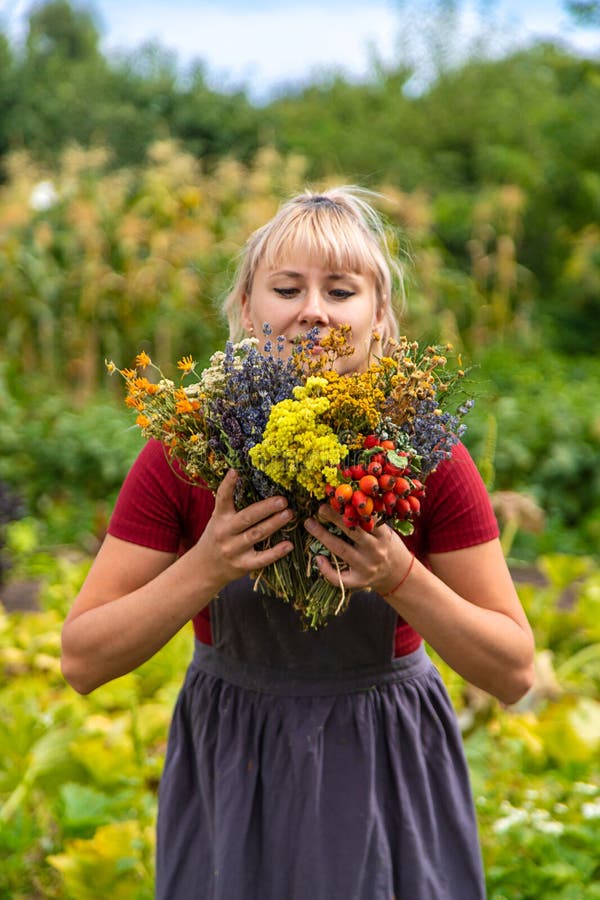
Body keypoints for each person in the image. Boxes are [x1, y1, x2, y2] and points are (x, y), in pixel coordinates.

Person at [61, 187, 535, 900]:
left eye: (341, 290)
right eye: (287, 287)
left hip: (385, 766)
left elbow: (513, 672)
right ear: (249, 309)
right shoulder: (187, 454)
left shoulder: (428, 456)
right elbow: (82, 658)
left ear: (379, 318)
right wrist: (208, 565)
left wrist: (399, 575)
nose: (312, 308)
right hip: (236, 765)